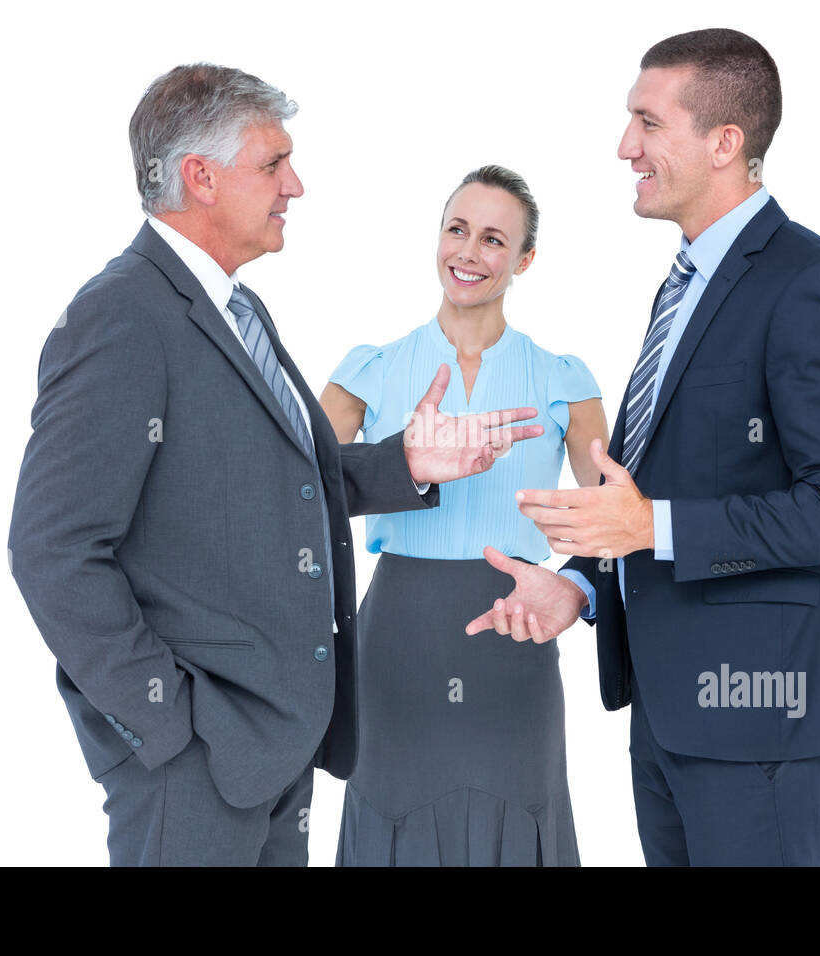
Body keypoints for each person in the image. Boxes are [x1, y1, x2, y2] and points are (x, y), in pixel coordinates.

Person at [7, 64, 544, 866]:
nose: (295, 184)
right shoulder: (121, 317)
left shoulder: (238, 308)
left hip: (277, 749)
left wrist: (408, 464)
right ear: (201, 178)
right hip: (194, 765)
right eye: (273, 164)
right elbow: (51, 551)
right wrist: (165, 728)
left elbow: (278, 483)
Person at [467, 29, 820, 866]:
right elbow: (646, 486)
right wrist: (579, 588)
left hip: (758, 720)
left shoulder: (811, 286)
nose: (626, 147)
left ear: (725, 142)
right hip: (667, 708)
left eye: (648, 123)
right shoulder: (687, 281)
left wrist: (649, 526)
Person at [319, 165, 607, 866]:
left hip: (518, 628)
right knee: (393, 809)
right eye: (456, 230)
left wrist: (576, 588)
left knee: (517, 811)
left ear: (523, 260)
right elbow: (296, 494)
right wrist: (405, 460)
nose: (468, 253)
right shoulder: (370, 368)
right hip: (400, 638)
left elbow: (614, 522)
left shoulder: (564, 378)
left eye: (492, 239)